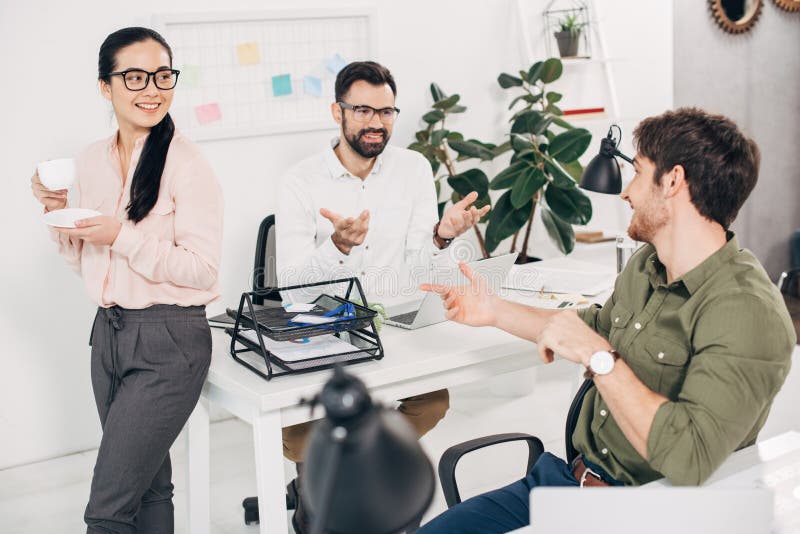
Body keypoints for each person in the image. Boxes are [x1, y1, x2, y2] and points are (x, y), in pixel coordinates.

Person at [418, 108, 795, 533]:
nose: (625, 192)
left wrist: (600, 358)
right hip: (565, 482)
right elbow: (592, 328)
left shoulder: (746, 311)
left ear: (673, 181)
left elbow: (690, 457)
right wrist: (493, 310)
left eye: (637, 172)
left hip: (648, 512)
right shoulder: (647, 264)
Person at [275, 61, 487, 532]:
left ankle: (347, 473)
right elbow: (290, 286)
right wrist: (338, 246)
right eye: (364, 110)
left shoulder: (413, 168)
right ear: (338, 111)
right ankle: (330, 495)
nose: (377, 122)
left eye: (387, 111)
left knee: (431, 402)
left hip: (395, 327)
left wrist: (441, 236)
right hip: (326, 332)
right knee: (298, 436)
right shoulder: (299, 181)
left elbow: (419, 266)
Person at [31, 27, 223, 534]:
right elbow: (90, 263)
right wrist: (58, 214)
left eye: (162, 76)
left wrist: (121, 235)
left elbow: (201, 270)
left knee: (106, 511)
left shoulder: (188, 164)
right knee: (148, 487)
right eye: (135, 77)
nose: (151, 89)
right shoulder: (91, 160)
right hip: (108, 336)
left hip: (170, 340)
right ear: (105, 86)